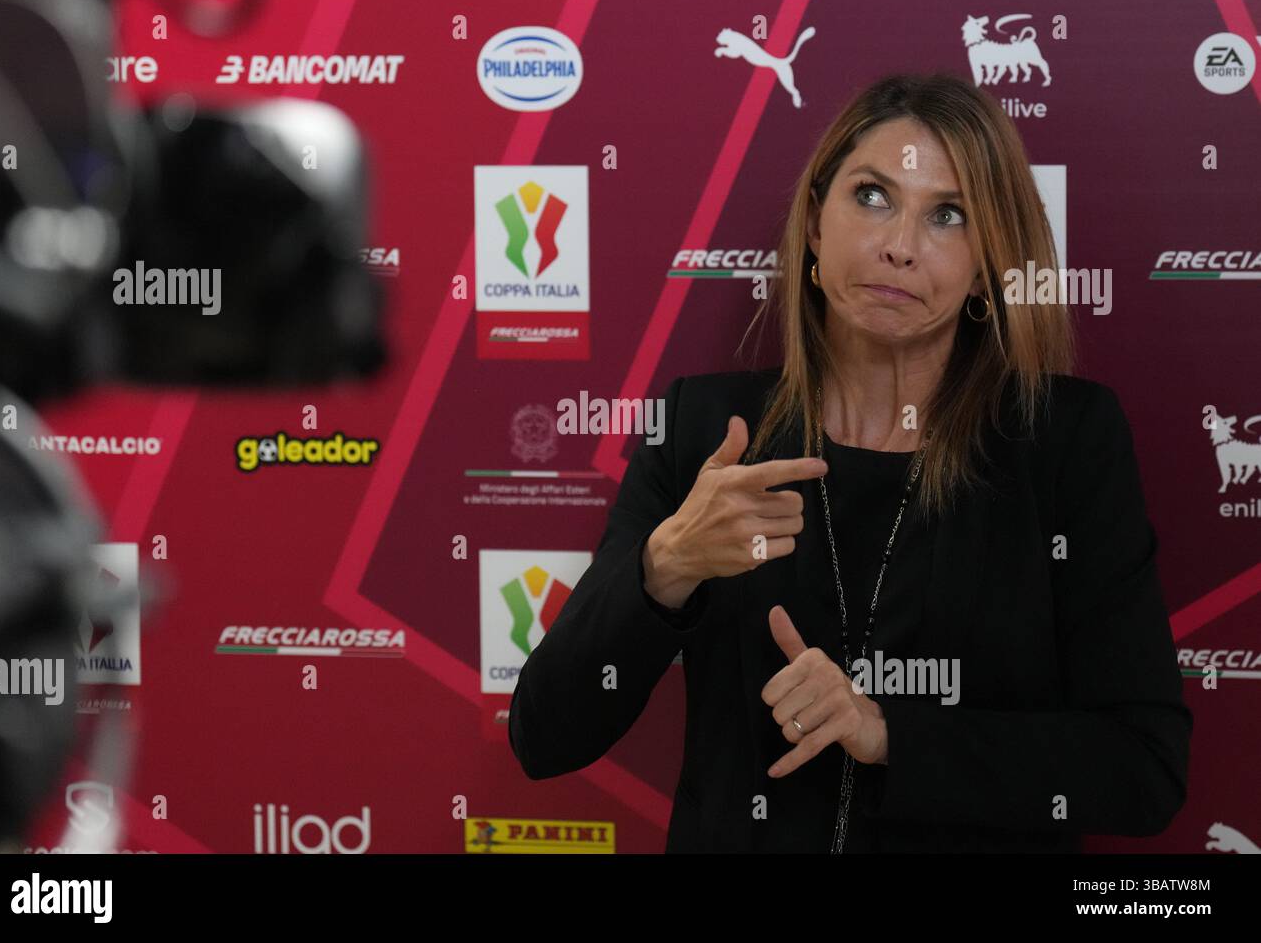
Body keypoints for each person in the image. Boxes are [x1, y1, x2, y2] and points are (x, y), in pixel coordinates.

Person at [507, 73, 1192, 852]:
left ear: (988, 262)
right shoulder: (704, 427)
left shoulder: (1064, 440)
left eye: (948, 214)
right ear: (812, 225)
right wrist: (665, 567)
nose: (899, 244)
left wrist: (890, 732)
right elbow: (545, 737)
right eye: (872, 197)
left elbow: (1143, 768)